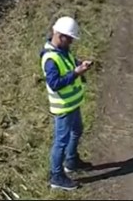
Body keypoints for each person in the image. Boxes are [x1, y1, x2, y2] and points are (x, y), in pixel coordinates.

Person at [41, 16, 94, 191]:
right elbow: (55, 84)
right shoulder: (50, 59)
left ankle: (71, 161)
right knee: (60, 142)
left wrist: (79, 64)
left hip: (73, 103)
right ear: (59, 35)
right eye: (69, 38)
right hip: (63, 107)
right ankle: (56, 176)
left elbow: (69, 63)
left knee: (77, 130)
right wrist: (76, 73)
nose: (71, 42)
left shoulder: (63, 50)